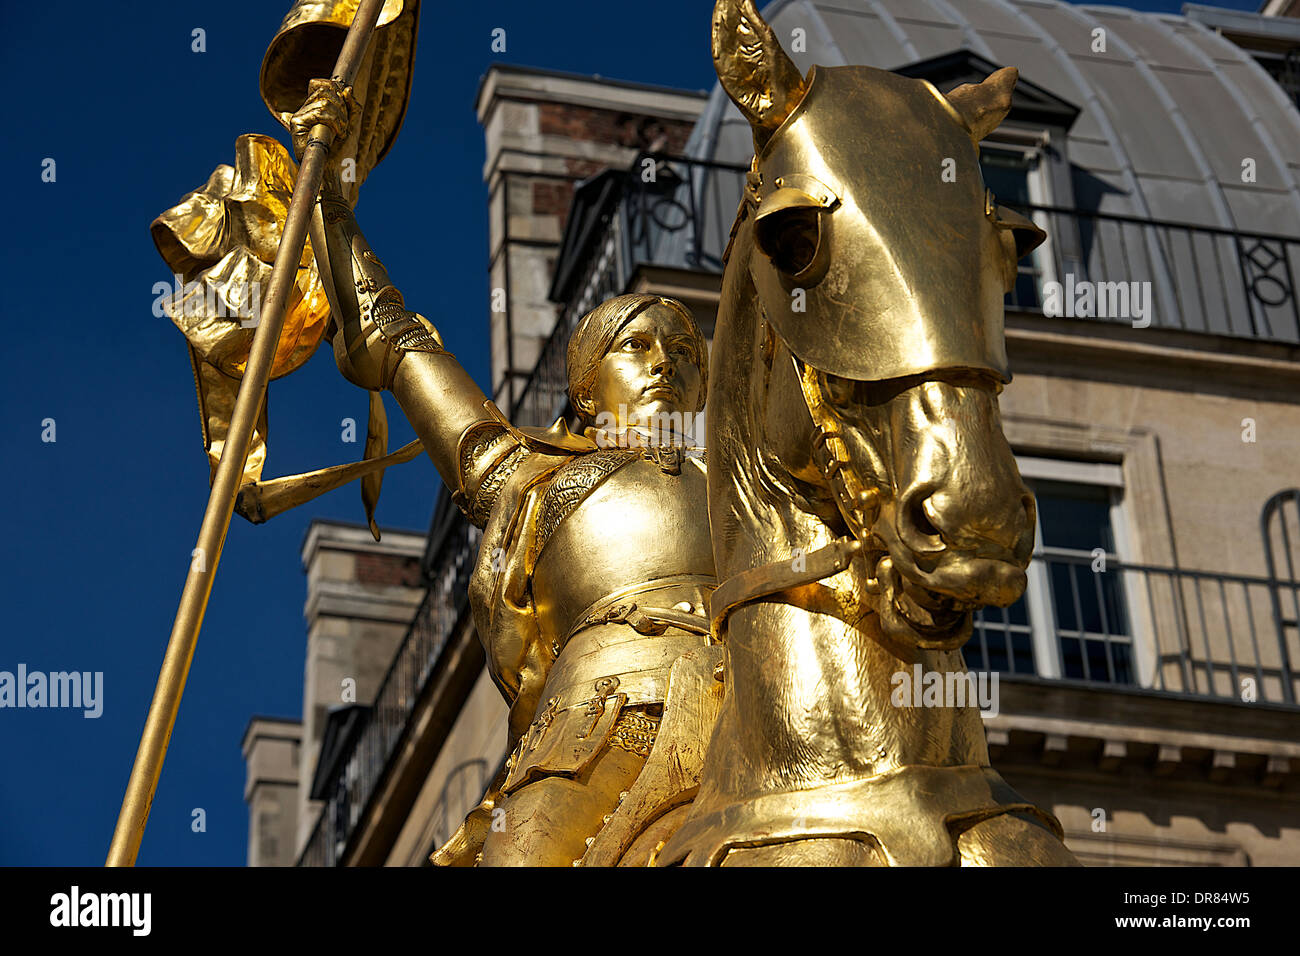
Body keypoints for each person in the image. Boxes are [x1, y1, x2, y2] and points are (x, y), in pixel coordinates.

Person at [291, 80, 716, 865]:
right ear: (586, 392)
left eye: (686, 354)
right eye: (639, 346)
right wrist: (324, 206)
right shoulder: (532, 476)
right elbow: (395, 343)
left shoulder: (750, 477)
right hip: (602, 719)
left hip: (755, 700)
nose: (666, 364)